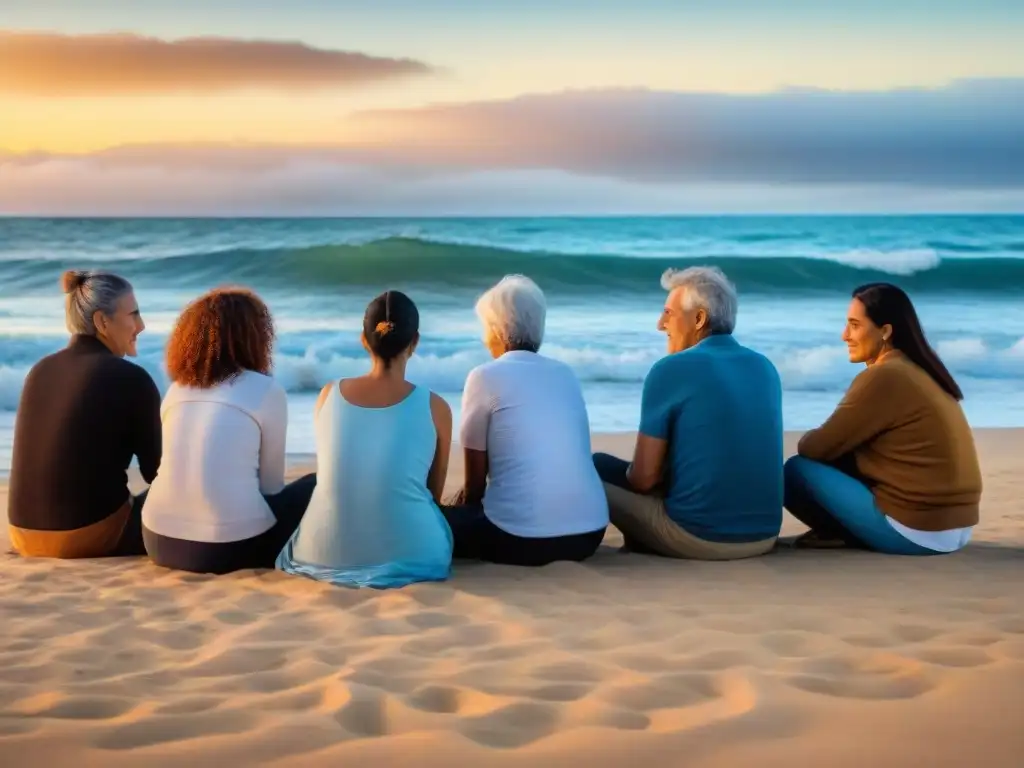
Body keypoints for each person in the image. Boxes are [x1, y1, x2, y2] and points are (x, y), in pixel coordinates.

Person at [593, 266, 783, 560]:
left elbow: (642, 480)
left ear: (699, 318)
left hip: (701, 539)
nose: (660, 324)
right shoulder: (764, 368)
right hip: (764, 536)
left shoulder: (671, 369)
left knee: (597, 466)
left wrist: (647, 474)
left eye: (668, 313)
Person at [785, 282, 982, 554]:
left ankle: (842, 534)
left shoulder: (885, 376)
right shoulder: (922, 372)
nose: (845, 335)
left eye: (854, 325)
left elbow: (813, 448)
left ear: (885, 331)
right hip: (956, 527)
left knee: (796, 471)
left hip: (920, 532)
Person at [276, 290, 454, 588]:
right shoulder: (435, 407)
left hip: (319, 555)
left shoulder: (327, 396)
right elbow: (432, 495)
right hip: (417, 556)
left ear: (363, 340)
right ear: (415, 342)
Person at [142, 287, 315, 573]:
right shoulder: (265, 390)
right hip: (229, 549)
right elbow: (271, 486)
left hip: (157, 540)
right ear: (256, 337)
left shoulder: (176, 389)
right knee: (314, 486)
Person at [441, 275, 608, 566]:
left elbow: (475, 487)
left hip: (519, 539)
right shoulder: (566, 374)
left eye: (485, 328)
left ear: (496, 330)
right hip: (589, 534)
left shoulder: (484, 377)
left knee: (425, 520)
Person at [7, 270, 161, 558]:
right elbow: (159, 473)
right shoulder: (131, 379)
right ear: (102, 321)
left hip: (23, 535)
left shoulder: (40, 370)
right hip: (88, 536)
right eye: (133, 315)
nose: (141, 326)